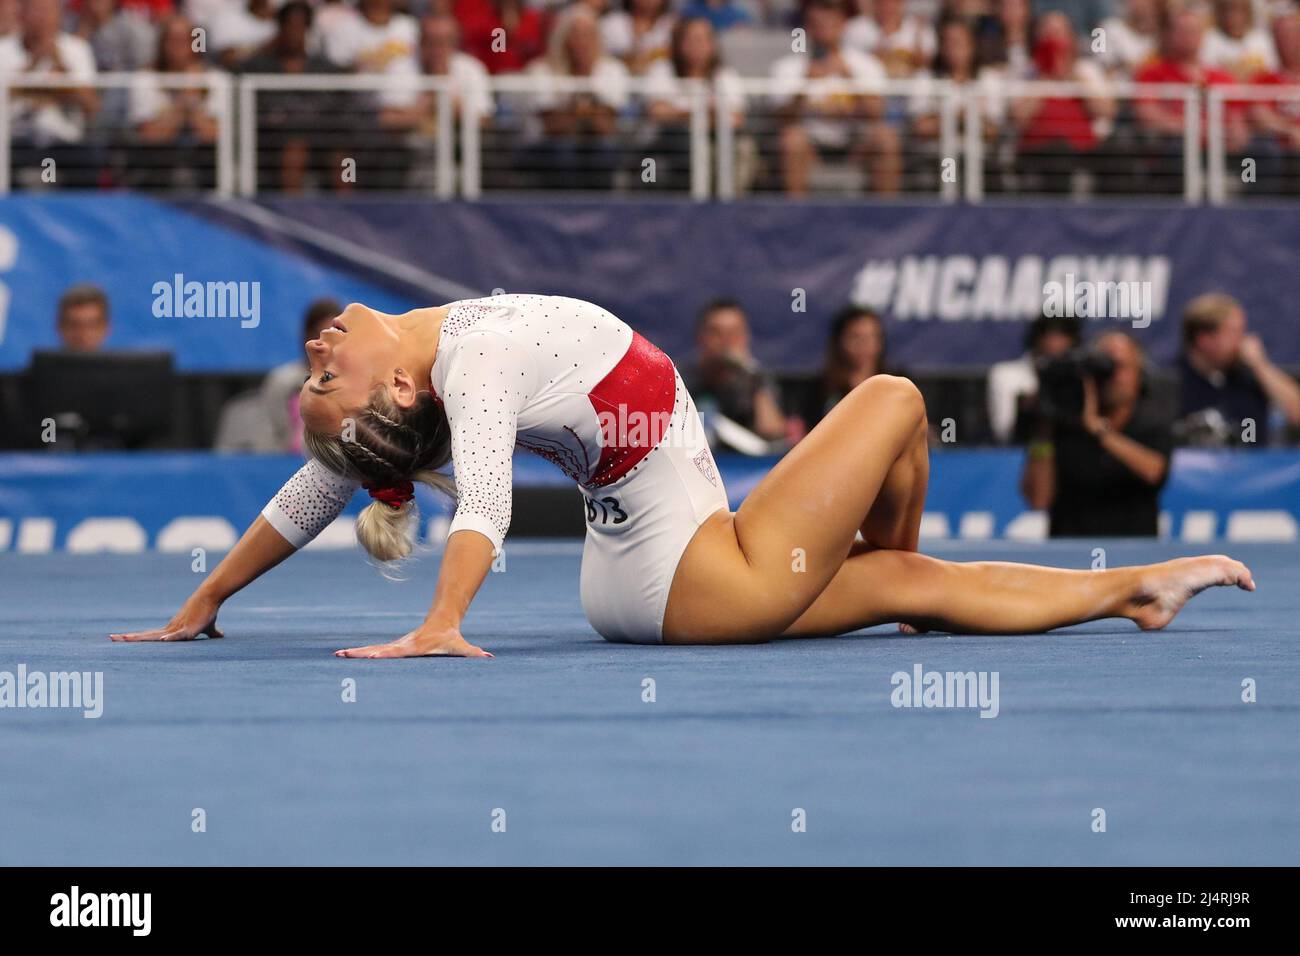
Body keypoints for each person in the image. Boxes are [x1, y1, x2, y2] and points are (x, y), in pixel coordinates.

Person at [111, 294, 1255, 656]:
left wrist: (203, 602)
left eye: (316, 368)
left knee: (921, 584)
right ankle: (889, 558)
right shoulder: (476, 364)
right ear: (399, 397)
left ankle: (1136, 584)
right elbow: (491, 501)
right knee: (897, 400)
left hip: (660, 570)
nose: (317, 356)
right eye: (326, 377)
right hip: (692, 577)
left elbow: (317, 488)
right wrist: (439, 622)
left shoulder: (436, 340)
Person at [1020, 331, 1173, 537]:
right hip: (1071, 557)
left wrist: (1098, 430)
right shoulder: (1065, 421)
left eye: (1120, 366)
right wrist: (1043, 431)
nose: (1112, 376)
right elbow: (1038, 499)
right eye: (1104, 368)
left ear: (1140, 373)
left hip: (1135, 556)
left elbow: (1154, 471)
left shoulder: (1152, 417)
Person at [770, 0, 900, 196]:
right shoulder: (789, 66)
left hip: (856, 145)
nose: (824, 29)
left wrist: (852, 81)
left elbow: (878, 113)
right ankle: (794, 218)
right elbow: (781, 119)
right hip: (811, 145)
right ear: (807, 28)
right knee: (792, 140)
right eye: (817, 24)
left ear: (843, 25)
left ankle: (888, 220)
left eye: (830, 23)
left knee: (886, 139)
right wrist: (804, 87)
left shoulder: (865, 64)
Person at [1178, 293, 1300, 445]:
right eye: (1234, 333)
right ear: (1205, 340)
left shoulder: (1252, 376)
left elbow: (1297, 413)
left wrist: (1261, 365)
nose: (1242, 341)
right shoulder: (1174, 382)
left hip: (1252, 466)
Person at [128, 13, 219, 190]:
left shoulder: (216, 79)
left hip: (205, 168)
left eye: (184, 40)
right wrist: (184, 101)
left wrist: (189, 105)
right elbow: (150, 135)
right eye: (172, 40)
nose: (178, 47)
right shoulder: (144, 79)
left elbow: (212, 134)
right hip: (157, 169)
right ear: (161, 44)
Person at [681, 298, 787, 450]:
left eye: (734, 332)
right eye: (716, 332)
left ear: (746, 337)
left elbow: (773, 432)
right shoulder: (681, 380)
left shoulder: (756, 378)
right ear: (700, 337)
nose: (726, 341)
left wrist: (753, 375)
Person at [986, 314, 1081, 445]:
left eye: (1063, 334)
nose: (1054, 341)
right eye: (1049, 333)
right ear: (1037, 336)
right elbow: (1002, 433)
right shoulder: (1005, 375)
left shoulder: (1081, 377)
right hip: (1019, 452)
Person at [807, 305, 892, 427]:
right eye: (855, 337)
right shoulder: (822, 389)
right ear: (839, 341)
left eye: (870, 337)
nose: (863, 344)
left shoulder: (896, 384)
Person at [56, 284, 112, 352]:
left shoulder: (124, 363)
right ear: (60, 326)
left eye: (91, 325)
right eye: (74, 325)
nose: (82, 334)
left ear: (106, 327)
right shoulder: (42, 362)